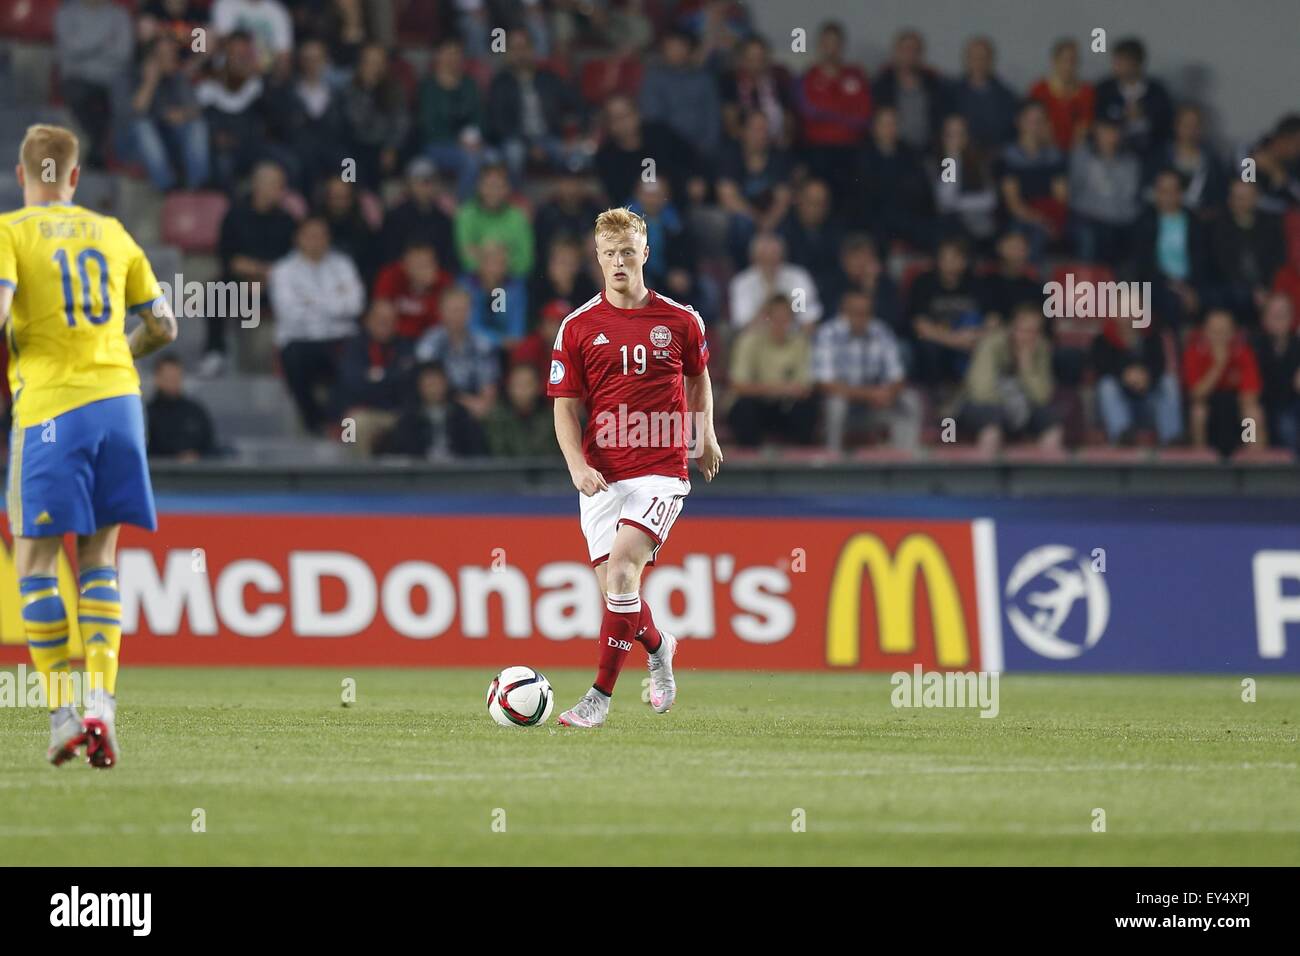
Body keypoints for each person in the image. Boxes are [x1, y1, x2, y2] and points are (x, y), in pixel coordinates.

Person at [1, 125, 179, 768]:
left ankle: (61, 717)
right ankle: (102, 705)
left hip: (52, 407)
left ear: (23, 177)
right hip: (121, 407)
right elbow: (163, 325)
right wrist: (116, 359)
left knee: (36, 565)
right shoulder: (114, 232)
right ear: (74, 178)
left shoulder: (11, 233)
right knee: (100, 558)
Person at [547, 207, 721, 728]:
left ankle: (598, 699)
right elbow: (564, 405)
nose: (619, 262)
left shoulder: (681, 319)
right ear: (597, 259)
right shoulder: (577, 327)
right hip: (602, 475)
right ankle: (660, 646)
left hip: (661, 468)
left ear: (645, 253)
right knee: (618, 593)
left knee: (623, 570)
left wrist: (705, 434)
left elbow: (698, 378)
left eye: (628, 252)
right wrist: (576, 465)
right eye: (609, 254)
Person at [267, 217, 366, 433]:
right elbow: (289, 314)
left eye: (321, 236)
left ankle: (339, 419)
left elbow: (355, 305)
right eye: (310, 236)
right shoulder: (283, 270)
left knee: (355, 358)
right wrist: (335, 301)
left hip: (340, 337)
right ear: (298, 239)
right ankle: (315, 422)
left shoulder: (343, 264)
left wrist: (311, 301)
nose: (316, 241)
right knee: (293, 359)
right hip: (301, 340)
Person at [814, 289, 921, 452]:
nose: (861, 317)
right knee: (836, 404)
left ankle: (905, 460)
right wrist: (870, 394)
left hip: (874, 405)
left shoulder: (881, 331)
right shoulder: (828, 333)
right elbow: (826, 384)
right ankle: (832, 457)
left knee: (911, 400)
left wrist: (889, 393)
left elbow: (897, 376)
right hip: (845, 404)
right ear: (843, 312)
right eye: (855, 312)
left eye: (866, 313)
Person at [960, 302, 1062, 453]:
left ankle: (1044, 475)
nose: (1029, 336)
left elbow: (1042, 397)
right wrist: (1011, 407)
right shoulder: (992, 344)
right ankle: (986, 474)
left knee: (1052, 426)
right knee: (992, 427)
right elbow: (980, 390)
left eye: (1035, 332)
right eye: (1024, 331)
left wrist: (1026, 366)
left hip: (1022, 408)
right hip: (984, 405)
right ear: (1012, 329)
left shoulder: (1041, 348)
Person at [727, 295, 816, 447]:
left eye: (785, 319)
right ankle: (749, 458)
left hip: (786, 406)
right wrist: (782, 388)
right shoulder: (748, 341)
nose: (780, 324)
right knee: (743, 407)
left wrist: (781, 390)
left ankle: (800, 460)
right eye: (775, 318)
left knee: (807, 407)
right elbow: (738, 385)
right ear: (766, 318)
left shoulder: (800, 343)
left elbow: (804, 387)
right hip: (756, 404)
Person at [1183, 308, 1265, 457]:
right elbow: (1196, 394)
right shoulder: (1194, 352)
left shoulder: (1243, 352)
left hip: (1236, 409)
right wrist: (1219, 365)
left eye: (1224, 331)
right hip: (1209, 409)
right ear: (1205, 332)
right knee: (1198, 413)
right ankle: (1201, 460)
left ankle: (1253, 458)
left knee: (1253, 414)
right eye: (1214, 331)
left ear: (1233, 333)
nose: (1219, 336)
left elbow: (1250, 395)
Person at [146, 356, 217, 459]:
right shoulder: (147, 414)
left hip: (197, 473)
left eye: (176, 377)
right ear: (157, 379)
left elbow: (211, 447)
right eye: (168, 378)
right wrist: (174, 458)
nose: (173, 382)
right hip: (159, 473)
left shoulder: (196, 412)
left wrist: (198, 457)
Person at [485, 363, 558, 458]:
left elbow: (552, 454)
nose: (523, 390)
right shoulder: (495, 418)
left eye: (528, 384)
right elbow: (498, 453)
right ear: (509, 387)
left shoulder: (552, 418)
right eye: (518, 385)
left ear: (538, 387)